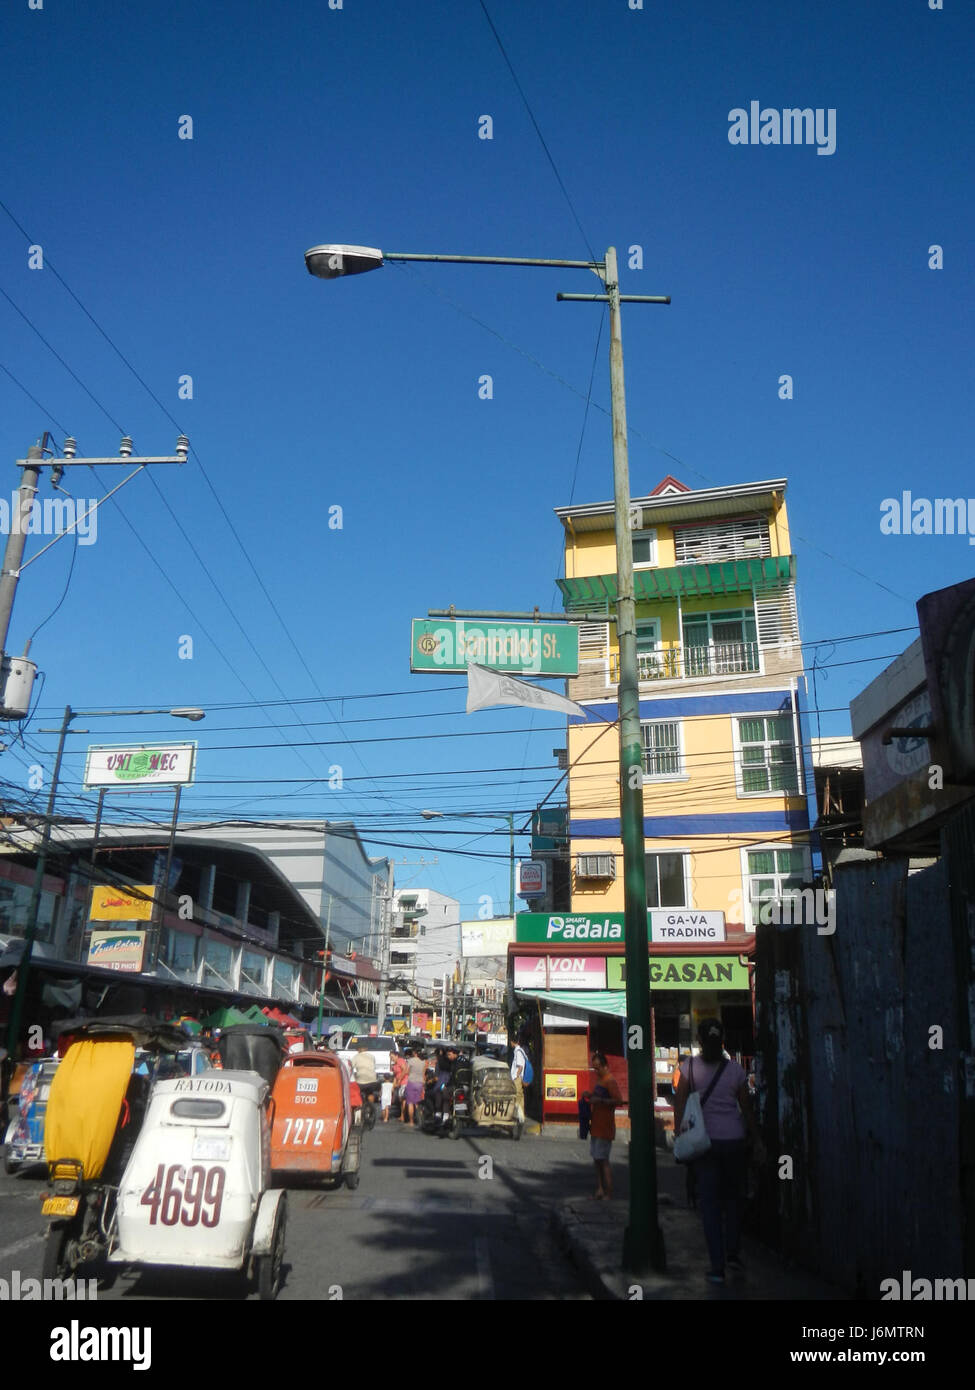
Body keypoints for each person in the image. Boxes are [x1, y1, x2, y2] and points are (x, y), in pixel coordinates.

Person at [673, 1018, 764, 1285]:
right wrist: (756, 1139)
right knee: (733, 1200)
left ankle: (717, 1267)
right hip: (734, 1142)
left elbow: (679, 1107)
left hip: (704, 1145)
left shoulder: (689, 1068)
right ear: (722, 1040)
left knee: (710, 1205)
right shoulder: (736, 1071)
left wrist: (681, 1137)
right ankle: (733, 1254)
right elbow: (746, 1110)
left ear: (700, 1041)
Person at [582, 1051, 621, 1200]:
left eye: (598, 1067)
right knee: (596, 1159)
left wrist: (601, 1102)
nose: (596, 1070)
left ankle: (608, 1192)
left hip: (605, 1126)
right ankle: (600, 1188)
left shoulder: (610, 1081)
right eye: (594, 1068)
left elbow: (618, 1100)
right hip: (596, 1125)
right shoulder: (599, 1080)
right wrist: (590, 1095)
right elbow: (597, 1097)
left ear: (606, 1066)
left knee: (603, 1160)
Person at [403, 1047, 426, 1125]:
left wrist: (401, 1077)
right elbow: (424, 1073)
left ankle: (411, 1121)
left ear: (414, 1053)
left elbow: (406, 1071)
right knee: (417, 1103)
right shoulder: (423, 1061)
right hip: (420, 1083)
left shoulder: (411, 1060)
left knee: (410, 1103)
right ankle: (419, 1119)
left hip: (412, 1082)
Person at [510, 1033, 529, 1122]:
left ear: (512, 1042)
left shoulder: (518, 1052)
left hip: (517, 1078)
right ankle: (520, 1116)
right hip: (518, 1078)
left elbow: (520, 1066)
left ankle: (517, 1115)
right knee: (520, 1097)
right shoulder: (520, 1051)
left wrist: (516, 1076)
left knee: (517, 1096)